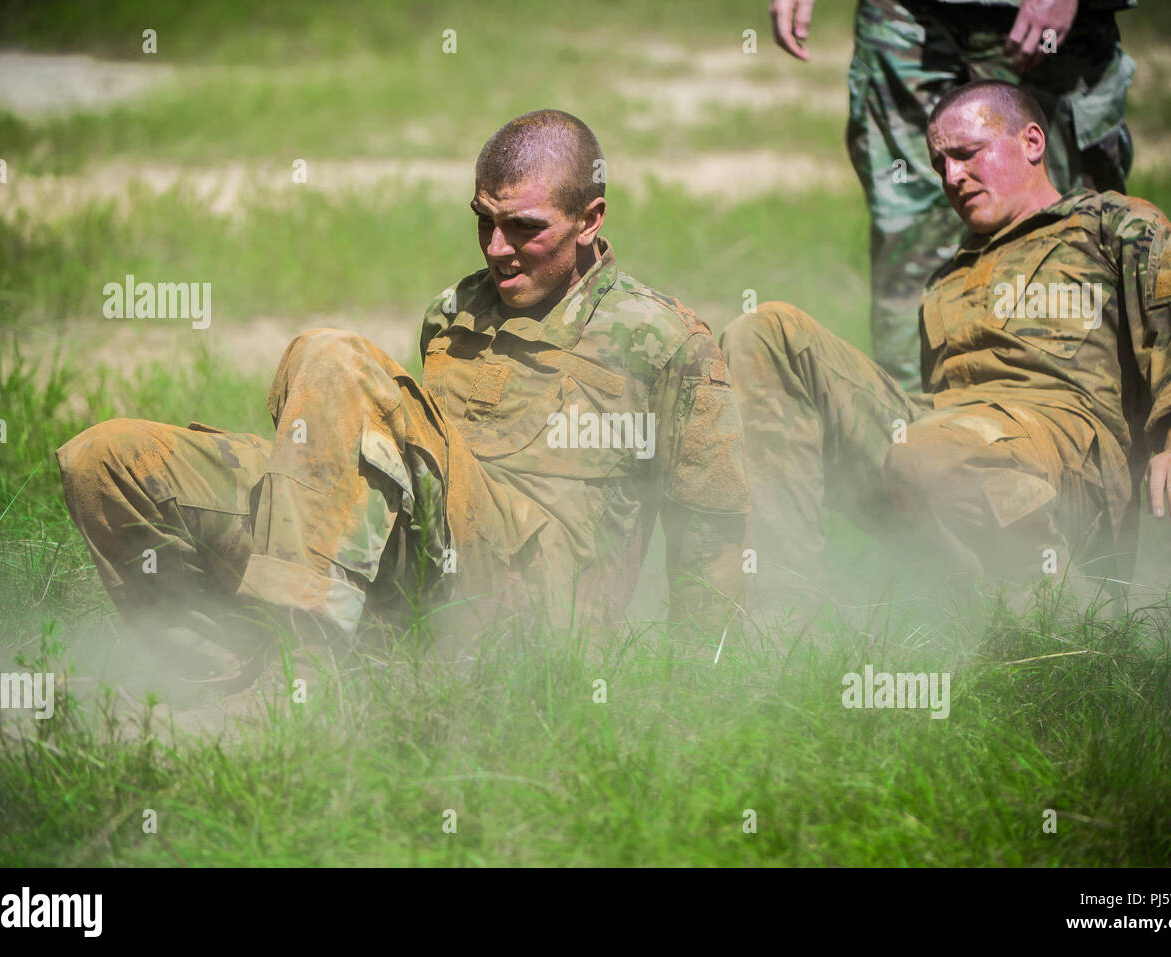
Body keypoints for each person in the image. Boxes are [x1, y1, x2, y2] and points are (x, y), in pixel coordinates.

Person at [57, 109, 750, 691]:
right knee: (110, 458)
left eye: (525, 228)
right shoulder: (455, 308)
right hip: (430, 563)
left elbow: (712, 534)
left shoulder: (666, 340)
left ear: (590, 219)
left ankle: (301, 683)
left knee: (332, 355)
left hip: (539, 617)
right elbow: (413, 464)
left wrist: (690, 698)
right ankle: (224, 691)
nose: (498, 248)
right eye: (484, 221)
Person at [720, 80, 1171, 594]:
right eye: (940, 163)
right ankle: (780, 605)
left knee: (931, 448)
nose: (951, 176)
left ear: (1032, 142)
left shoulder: (1111, 225)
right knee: (764, 331)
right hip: (942, 444)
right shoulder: (948, 277)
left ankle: (1061, 611)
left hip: (1066, 457)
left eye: (966, 154)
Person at [770, 0, 1136, 389]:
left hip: (1035, 22)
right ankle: (916, 427)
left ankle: (1083, 425)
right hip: (903, 15)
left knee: (1065, 231)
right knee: (910, 238)